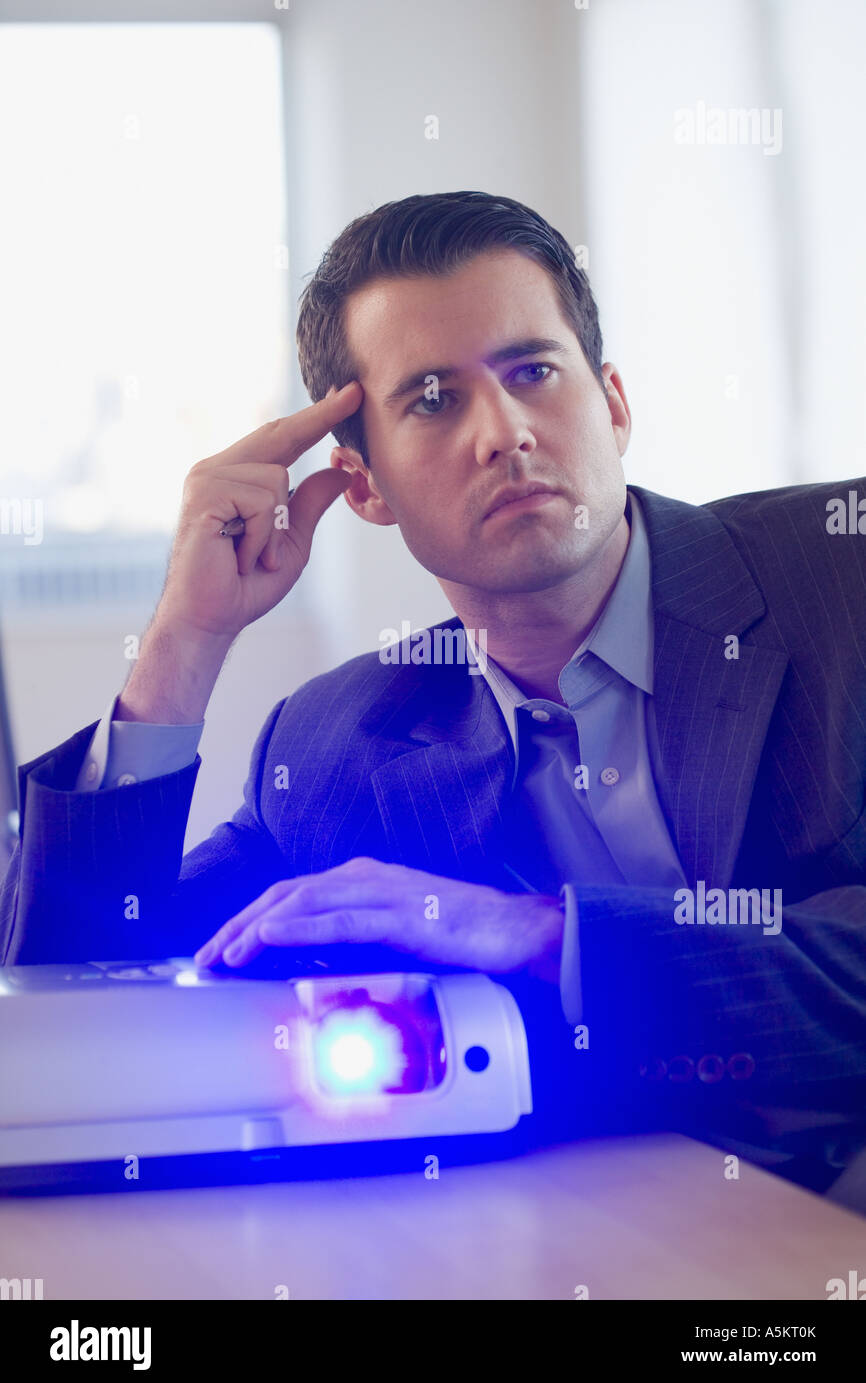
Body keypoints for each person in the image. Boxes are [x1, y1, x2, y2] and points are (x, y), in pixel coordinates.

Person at [3, 191, 866, 1206]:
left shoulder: (836, 582)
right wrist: (184, 646)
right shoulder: (337, 744)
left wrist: (542, 932)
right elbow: (71, 1021)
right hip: (607, 1234)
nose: (502, 433)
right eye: (430, 398)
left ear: (614, 403)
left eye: (531, 372)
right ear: (362, 487)